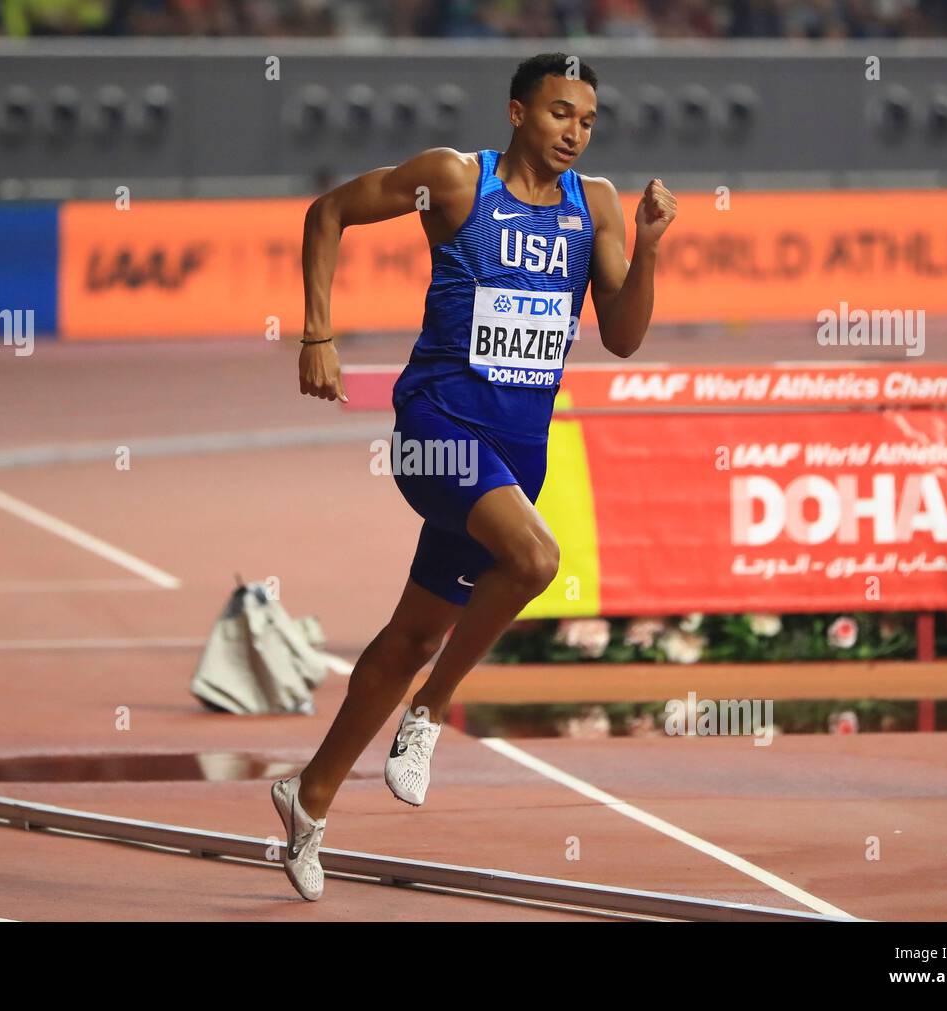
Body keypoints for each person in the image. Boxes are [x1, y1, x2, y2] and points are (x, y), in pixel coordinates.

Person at [273, 52, 677, 901]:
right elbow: (329, 211)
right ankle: (429, 714)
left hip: (512, 452)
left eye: (590, 121)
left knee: (413, 636)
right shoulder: (456, 183)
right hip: (435, 427)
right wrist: (317, 332)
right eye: (562, 114)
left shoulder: (593, 205)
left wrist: (646, 248)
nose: (576, 132)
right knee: (533, 559)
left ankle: (306, 796)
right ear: (519, 112)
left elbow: (626, 335)